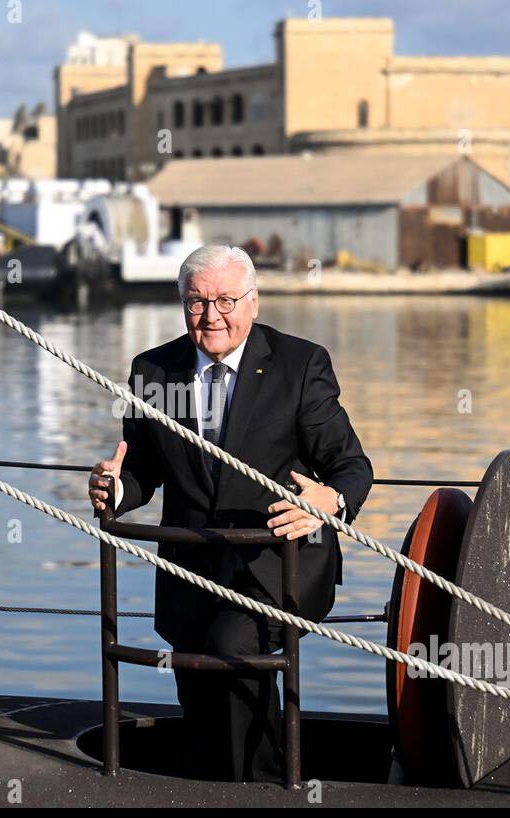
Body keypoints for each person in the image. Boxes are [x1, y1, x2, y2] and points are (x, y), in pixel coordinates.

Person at [87, 245, 372, 782]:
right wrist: (114, 489)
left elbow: (351, 467)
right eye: (197, 302)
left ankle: (262, 788)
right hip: (189, 567)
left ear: (254, 302)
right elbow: (142, 470)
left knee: (233, 650)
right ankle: (211, 786)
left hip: (279, 563)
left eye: (225, 300)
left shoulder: (300, 365)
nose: (211, 315)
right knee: (195, 676)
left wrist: (327, 503)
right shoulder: (153, 369)